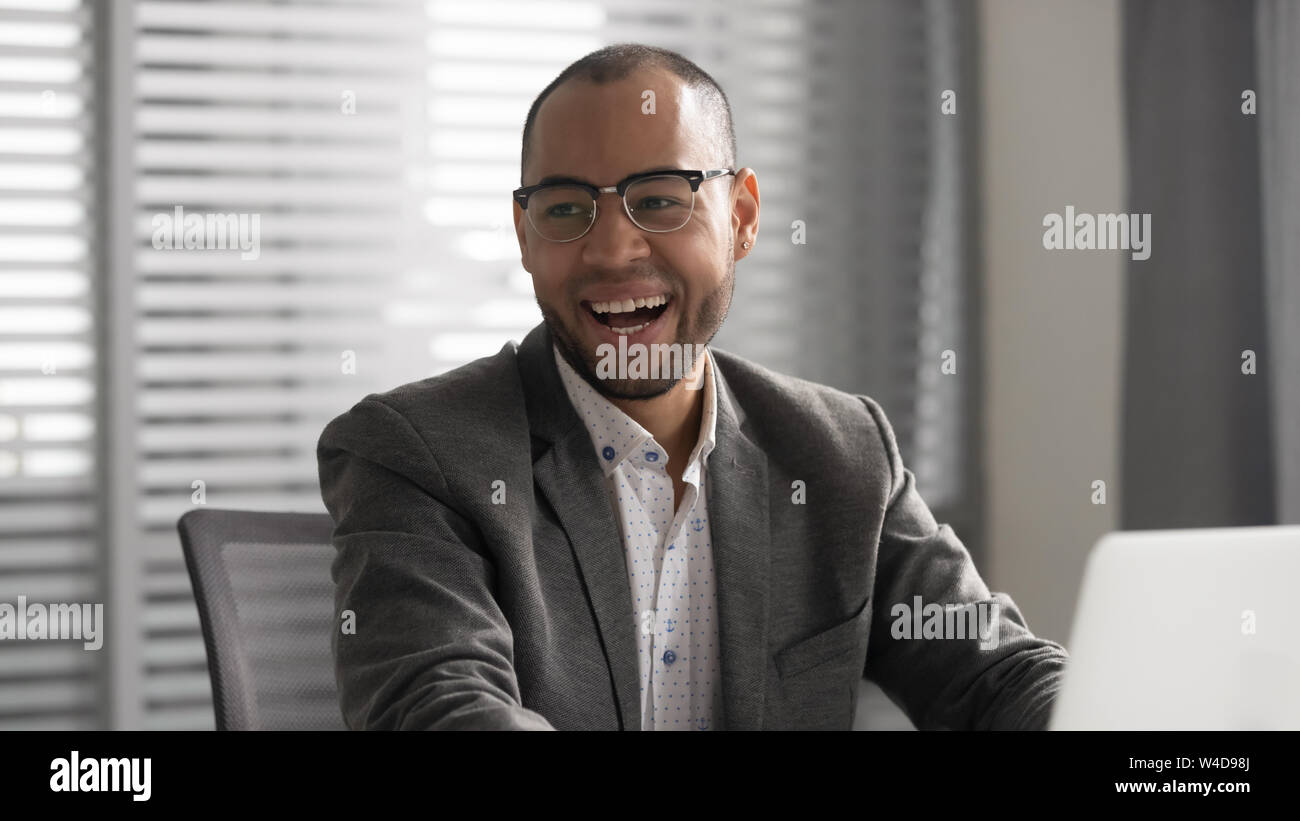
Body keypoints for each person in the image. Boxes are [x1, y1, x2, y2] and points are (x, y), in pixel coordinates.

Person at [316, 43, 1067, 731]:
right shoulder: (416, 453)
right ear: (524, 235)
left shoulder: (839, 455)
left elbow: (994, 674)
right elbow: (443, 707)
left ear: (740, 217)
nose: (611, 249)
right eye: (567, 209)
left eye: (660, 197)